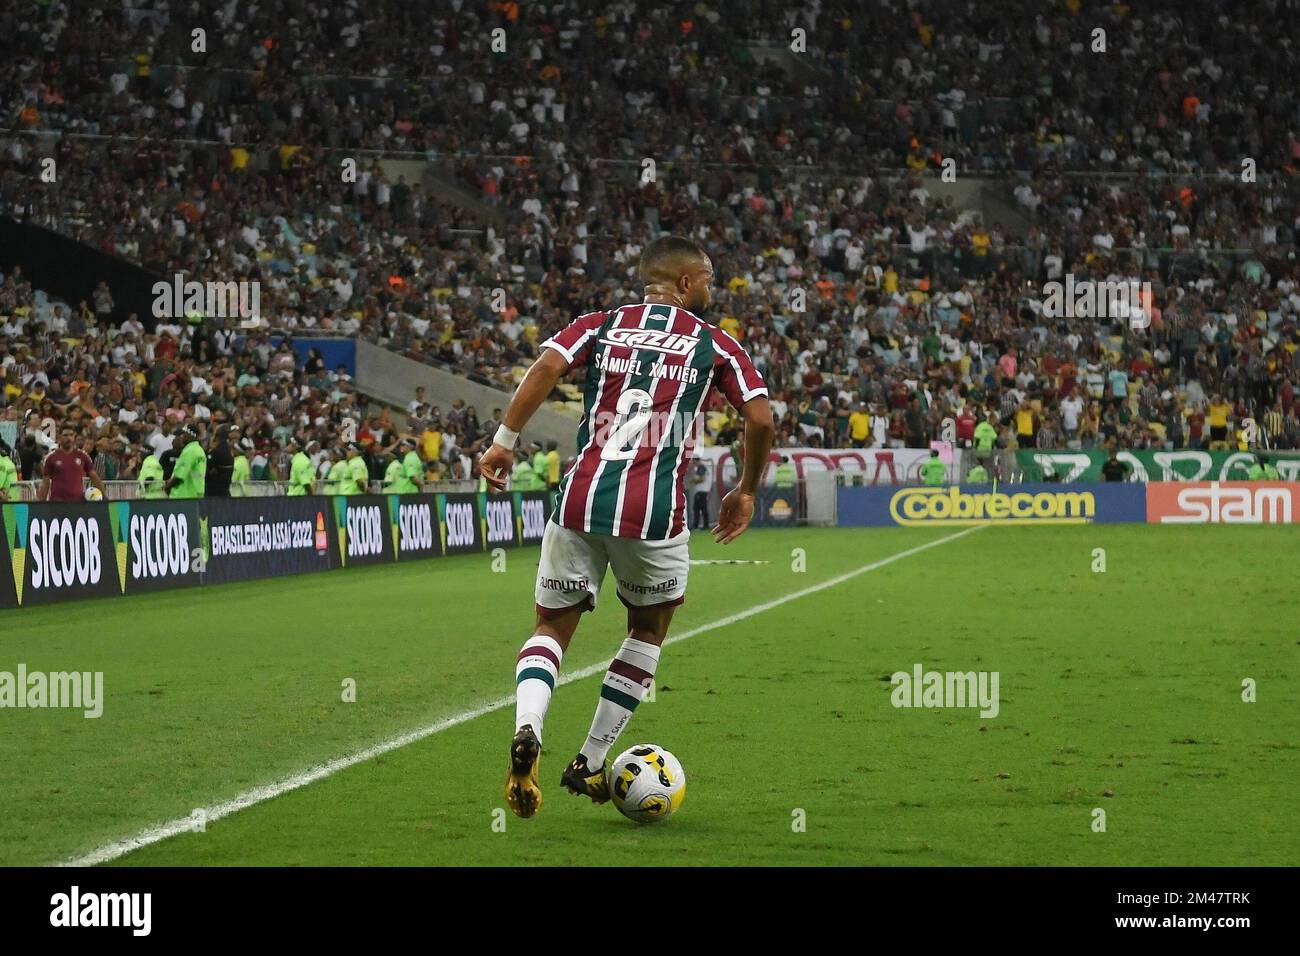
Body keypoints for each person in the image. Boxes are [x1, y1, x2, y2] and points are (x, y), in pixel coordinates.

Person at [476, 234, 774, 819]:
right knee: (646, 632)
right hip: (654, 513)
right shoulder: (716, 345)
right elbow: (760, 417)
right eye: (708, 278)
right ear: (685, 283)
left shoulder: (600, 323)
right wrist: (747, 489)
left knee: (551, 627)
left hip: (580, 499)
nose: (712, 289)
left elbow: (545, 367)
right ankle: (588, 759)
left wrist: (505, 442)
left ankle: (528, 727)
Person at [38, 426, 103, 502]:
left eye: (71, 435)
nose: (69, 438)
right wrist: (40, 503)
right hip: (57, 503)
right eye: (65, 435)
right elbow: (45, 482)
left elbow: (94, 477)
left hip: (77, 503)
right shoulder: (51, 457)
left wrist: (104, 496)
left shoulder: (83, 455)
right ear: (59, 437)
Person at [166, 426, 206, 498]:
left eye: (184, 434)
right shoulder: (199, 450)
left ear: (190, 435)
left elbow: (179, 476)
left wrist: (167, 486)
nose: (182, 436)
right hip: (195, 492)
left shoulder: (189, 451)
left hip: (184, 495)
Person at [206, 424, 235, 497]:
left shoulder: (216, 452)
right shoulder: (228, 450)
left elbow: (206, 469)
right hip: (225, 492)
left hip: (214, 494)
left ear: (216, 436)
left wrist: (210, 450)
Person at [688, 461, 710, 530]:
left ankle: (700, 525)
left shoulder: (701, 467)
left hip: (701, 491)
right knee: (699, 509)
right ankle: (701, 525)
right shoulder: (701, 467)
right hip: (702, 491)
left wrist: (693, 480)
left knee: (700, 509)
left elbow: (702, 478)